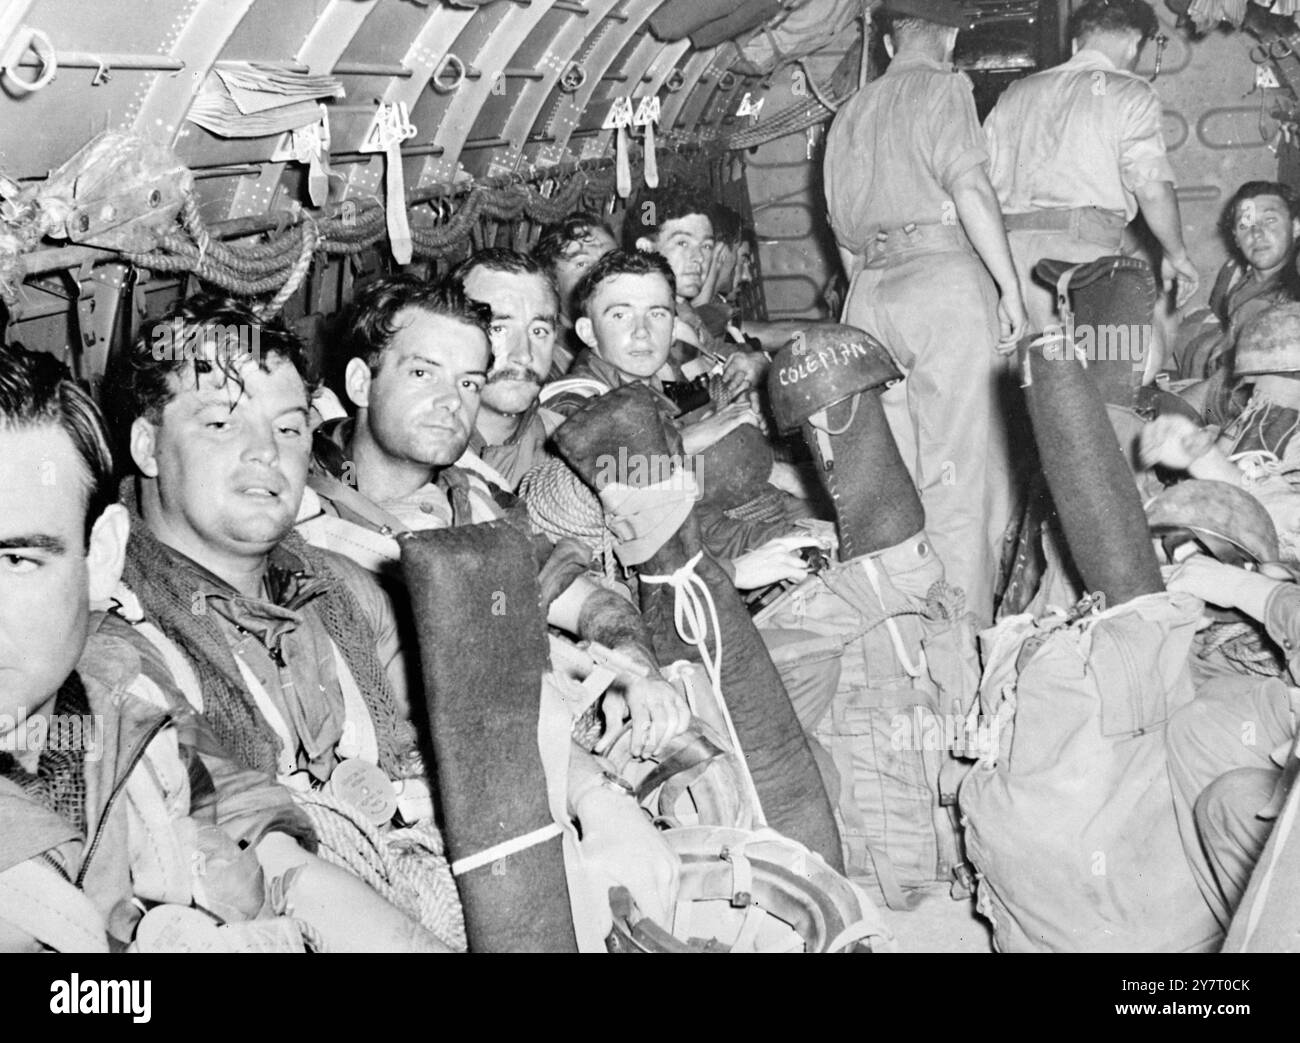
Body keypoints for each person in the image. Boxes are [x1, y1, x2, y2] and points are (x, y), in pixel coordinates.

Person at [0, 343, 447, 953]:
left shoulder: (120, 708)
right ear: (148, 447)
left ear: (98, 557)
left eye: (15, 560)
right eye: (219, 422)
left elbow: (268, 854)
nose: (265, 452)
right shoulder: (136, 649)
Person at [822, 0, 1027, 625]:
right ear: (952, 38)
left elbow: (845, 241)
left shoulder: (849, 112)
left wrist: (870, 300)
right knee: (957, 476)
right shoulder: (946, 86)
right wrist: (1009, 287)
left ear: (887, 43)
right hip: (942, 284)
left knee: (892, 484)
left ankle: (905, 634)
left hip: (870, 297)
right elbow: (970, 188)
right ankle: (961, 645)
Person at [541, 248, 825, 585]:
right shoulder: (574, 400)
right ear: (588, 332)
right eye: (620, 315)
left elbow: (734, 378)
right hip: (682, 569)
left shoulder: (658, 374)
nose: (643, 331)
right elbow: (610, 474)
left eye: (657, 314)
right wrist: (708, 431)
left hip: (734, 524)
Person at [984, 0, 1198, 332]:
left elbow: (982, 184)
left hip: (1007, 261)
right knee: (1094, 373)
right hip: (1080, 261)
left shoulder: (1015, 92)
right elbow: (1153, 190)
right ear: (1133, 44)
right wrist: (1177, 254)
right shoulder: (1131, 92)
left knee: (1032, 372)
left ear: (1074, 44)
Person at [627, 182, 767, 398]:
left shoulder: (682, 309)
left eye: (706, 246)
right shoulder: (645, 322)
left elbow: (719, 355)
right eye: (683, 243)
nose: (699, 258)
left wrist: (758, 361)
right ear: (646, 248)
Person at [451, 249, 566, 491]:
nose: (523, 355)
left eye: (538, 331)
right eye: (498, 329)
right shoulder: (410, 451)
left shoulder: (573, 448)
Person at [1170, 182, 1300, 390]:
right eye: (1244, 225)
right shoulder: (1241, 281)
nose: (1256, 233)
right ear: (1236, 239)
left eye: (1270, 220)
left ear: (1295, 227)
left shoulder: (1292, 290)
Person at [532, 211, 619, 378]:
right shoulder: (545, 363)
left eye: (610, 260)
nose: (602, 273)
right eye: (582, 263)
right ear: (552, 282)